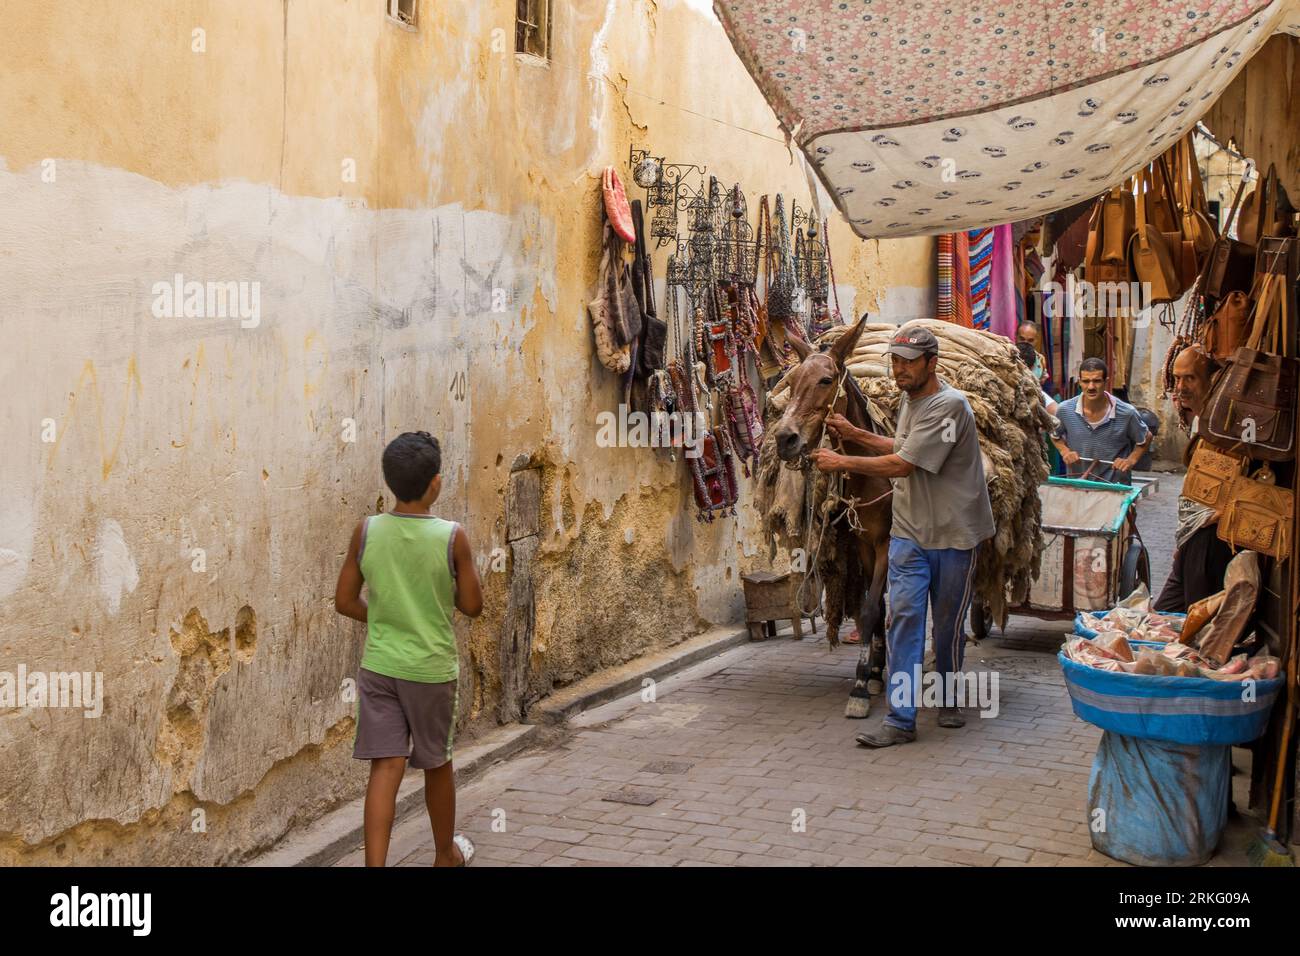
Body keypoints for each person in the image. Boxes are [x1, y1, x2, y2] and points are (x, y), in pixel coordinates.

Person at [811, 325, 995, 747]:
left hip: (954, 535)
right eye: (895, 361)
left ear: (932, 363)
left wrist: (844, 461)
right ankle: (900, 719)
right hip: (910, 533)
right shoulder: (910, 401)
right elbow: (904, 444)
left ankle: (947, 699)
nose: (899, 370)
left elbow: (903, 464)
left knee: (946, 627)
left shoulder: (951, 405)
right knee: (904, 619)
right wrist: (857, 435)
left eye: (908, 362)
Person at [334, 431, 484, 866]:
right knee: (437, 764)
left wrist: (385, 617)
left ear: (389, 482)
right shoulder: (452, 536)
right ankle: (444, 855)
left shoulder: (367, 530)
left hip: (380, 666)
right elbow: (473, 605)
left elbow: (344, 601)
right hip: (431, 669)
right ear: (436, 483)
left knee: (385, 767)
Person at [1154, 347, 1233, 612]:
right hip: (1193, 535)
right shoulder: (1202, 420)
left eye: (1190, 378)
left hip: (1211, 536)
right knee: (1165, 614)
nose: (1181, 386)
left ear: (1212, 378)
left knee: (1195, 620)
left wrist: (1220, 513)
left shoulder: (1225, 421)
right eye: (1177, 379)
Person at [1051, 357, 1152, 485]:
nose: (1091, 387)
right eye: (1086, 381)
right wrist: (1064, 451)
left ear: (1106, 382)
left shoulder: (1127, 413)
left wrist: (1130, 461)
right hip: (1077, 487)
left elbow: (1146, 437)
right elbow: (1054, 434)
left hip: (1115, 489)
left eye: (1097, 381)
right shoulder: (1065, 410)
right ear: (1080, 382)